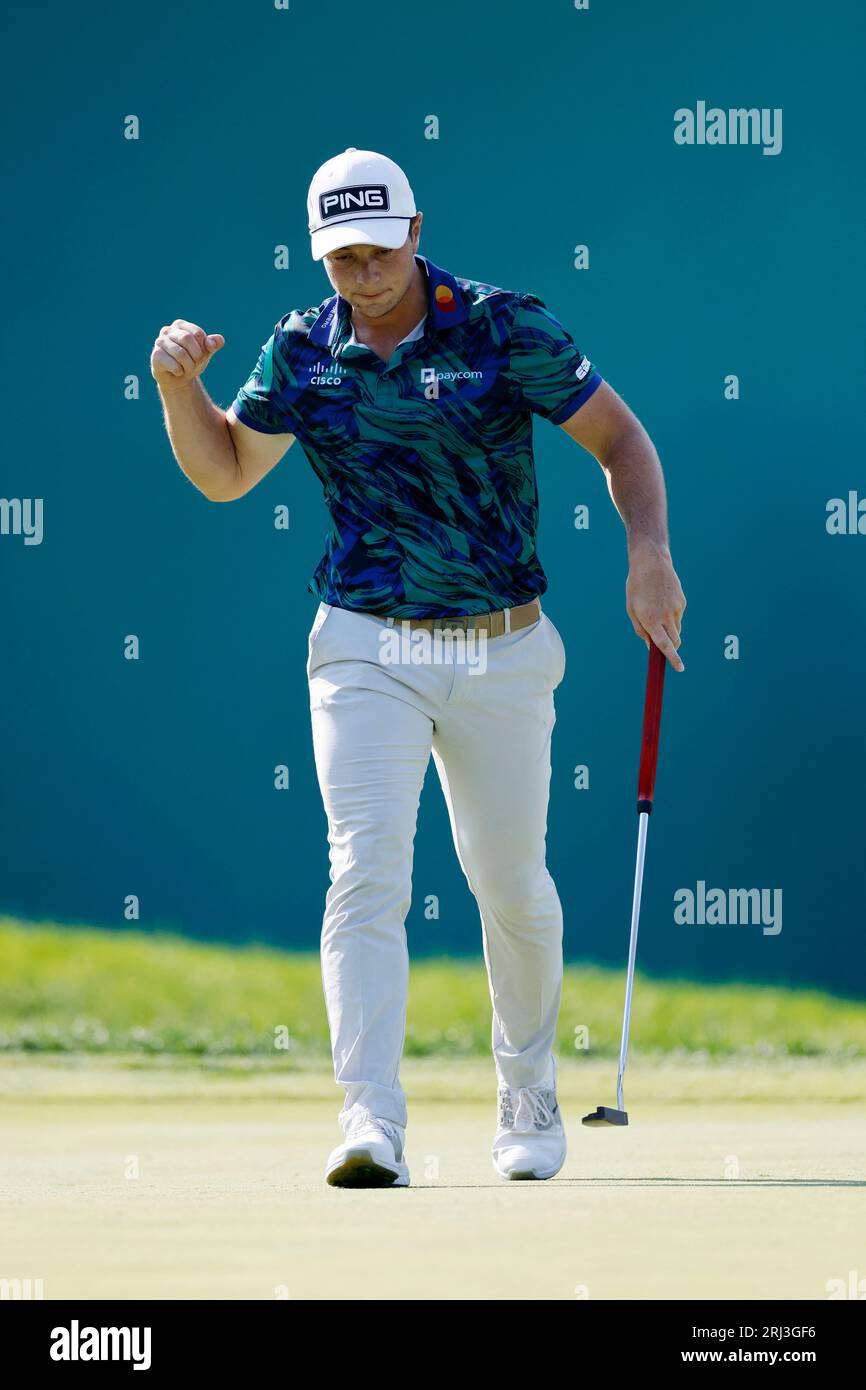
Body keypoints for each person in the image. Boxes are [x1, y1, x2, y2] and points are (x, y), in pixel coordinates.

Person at [150, 147, 687, 1188]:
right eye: (340, 255)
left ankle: (526, 1094)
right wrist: (182, 390)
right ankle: (369, 1117)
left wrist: (649, 556)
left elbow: (620, 441)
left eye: (377, 248)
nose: (361, 272)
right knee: (364, 871)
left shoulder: (500, 325)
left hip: (501, 645)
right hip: (362, 644)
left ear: (415, 229)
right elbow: (223, 470)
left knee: (508, 884)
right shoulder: (302, 351)